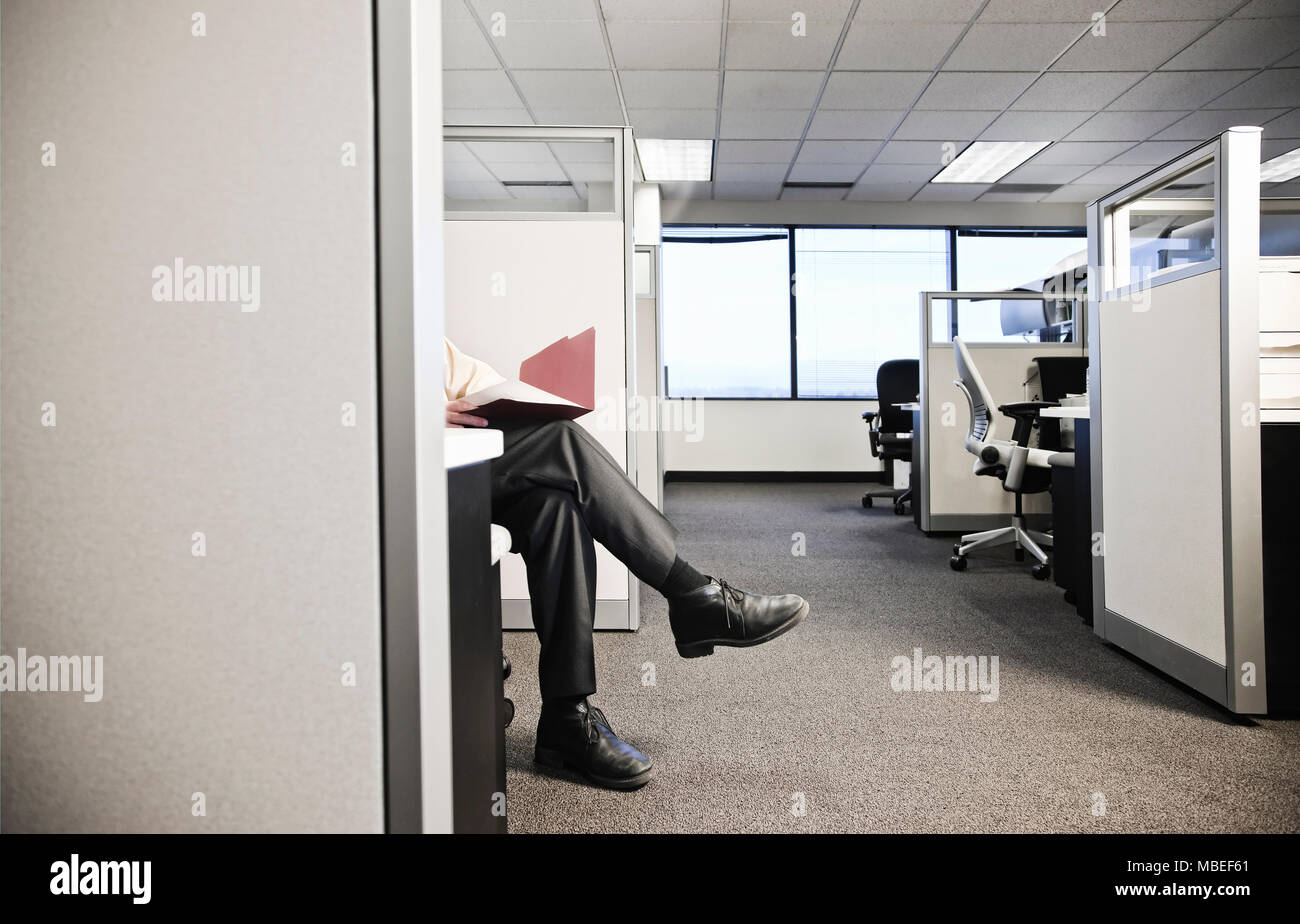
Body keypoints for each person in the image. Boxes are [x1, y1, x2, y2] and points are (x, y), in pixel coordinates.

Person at [444, 339, 809, 790]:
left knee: (556, 508)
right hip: (411, 474)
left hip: (467, 471)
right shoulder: (352, 341)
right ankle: (693, 594)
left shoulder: (423, 344)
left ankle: (565, 718)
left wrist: (522, 399)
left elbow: (480, 382)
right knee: (562, 441)